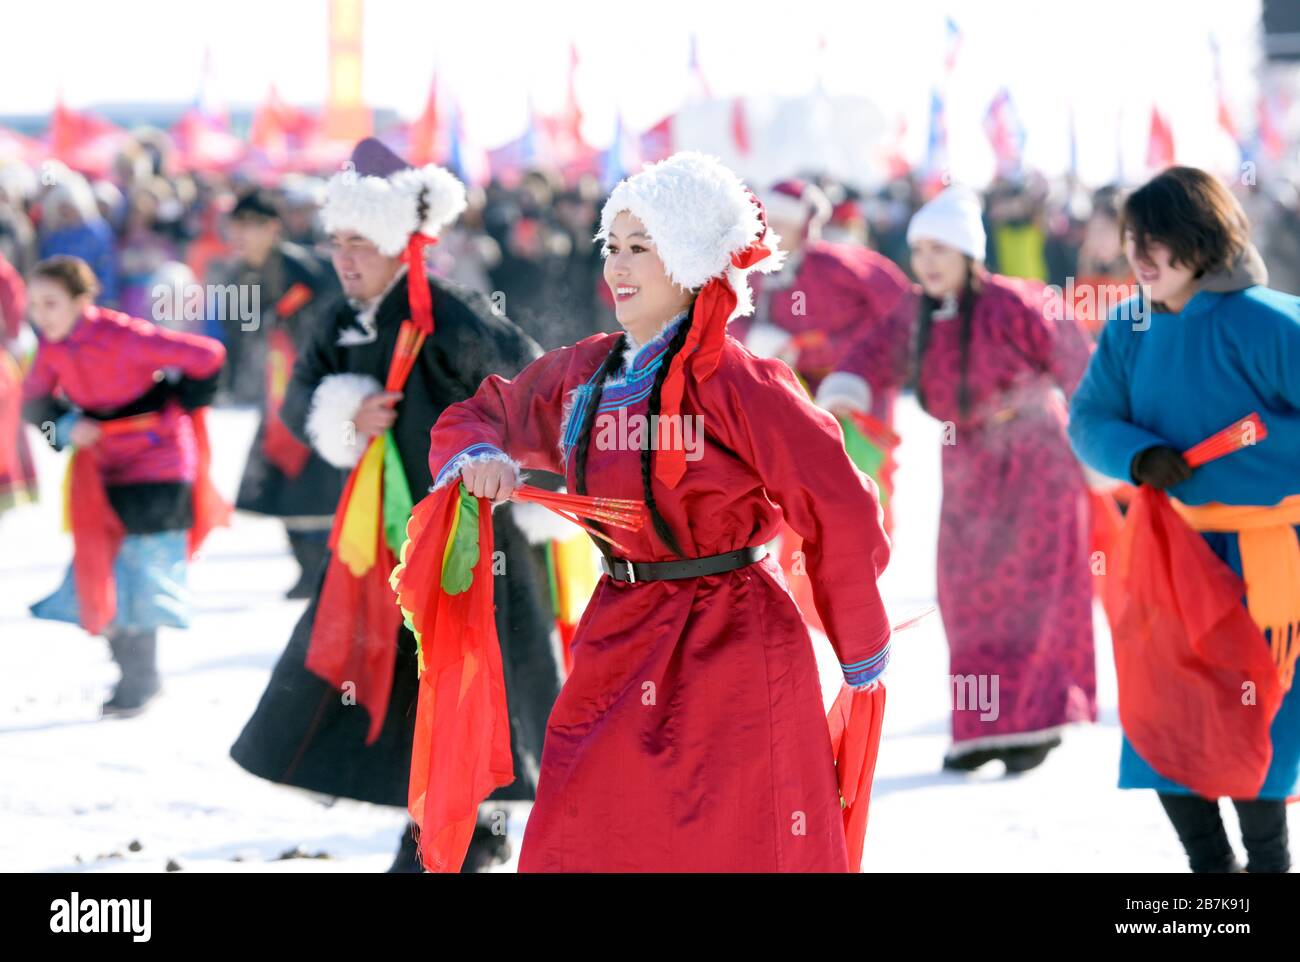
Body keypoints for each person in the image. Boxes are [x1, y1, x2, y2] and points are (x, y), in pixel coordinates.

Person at [423, 151, 893, 871]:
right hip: (619, 627)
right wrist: (479, 455)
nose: (619, 265)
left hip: (732, 637)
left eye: (642, 248)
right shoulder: (586, 373)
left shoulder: (739, 381)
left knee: (732, 838)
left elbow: (839, 500)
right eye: (613, 246)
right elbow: (487, 410)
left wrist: (857, 641)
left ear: (693, 259)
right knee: (583, 823)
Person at [228, 139, 561, 873]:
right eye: (338, 242)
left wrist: (527, 473)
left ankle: (465, 830)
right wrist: (345, 413)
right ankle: (445, 826)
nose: (345, 259)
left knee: (472, 677)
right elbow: (297, 399)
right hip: (384, 538)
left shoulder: (453, 313)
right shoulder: (338, 318)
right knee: (402, 679)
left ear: (400, 242)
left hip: (473, 538)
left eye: (362, 244)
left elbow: (536, 385)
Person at [1069, 166, 1300, 873]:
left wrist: (1239, 469)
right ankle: (1209, 871)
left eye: (1159, 239)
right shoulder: (1130, 326)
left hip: (1265, 557)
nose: (1142, 255)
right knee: (1163, 712)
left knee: (1252, 713)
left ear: (1202, 240)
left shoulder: (1268, 320)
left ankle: (1267, 867)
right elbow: (1089, 418)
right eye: (1135, 238)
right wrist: (1139, 457)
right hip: (1166, 553)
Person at [825, 184, 1096, 773]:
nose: (926, 262)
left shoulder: (1018, 302)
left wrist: (1098, 442)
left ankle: (1032, 726)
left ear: (969, 254)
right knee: (967, 591)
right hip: (966, 459)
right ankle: (980, 727)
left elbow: (1078, 365)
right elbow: (869, 356)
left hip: (1034, 456)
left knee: (1031, 594)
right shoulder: (915, 310)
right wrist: (844, 389)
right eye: (919, 250)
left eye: (938, 250)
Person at [21, 255, 226, 715]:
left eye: (51, 303)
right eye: (34, 304)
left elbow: (208, 356)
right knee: (97, 570)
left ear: (81, 300)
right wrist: (67, 426)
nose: (40, 315)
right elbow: (33, 403)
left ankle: (141, 680)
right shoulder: (53, 349)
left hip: (161, 465)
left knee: (140, 574)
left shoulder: (122, 335)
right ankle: (132, 672)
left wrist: (175, 409)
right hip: (102, 469)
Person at [217, 188, 345, 597]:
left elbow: (335, 318)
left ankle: (328, 571)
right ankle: (306, 569)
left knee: (320, 483)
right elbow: (240, 333)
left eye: (251, 226)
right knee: (280, 481)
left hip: (315, 385)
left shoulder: (308, 268)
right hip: (274, 392)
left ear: (273, 229)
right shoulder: (239, 275)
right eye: (236, 226)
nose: (241, 236)